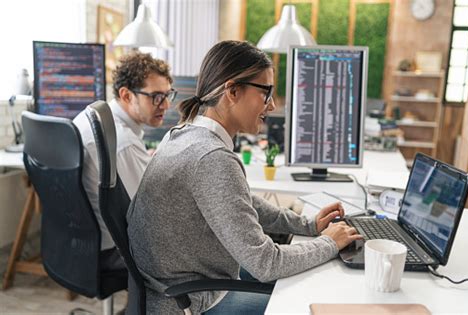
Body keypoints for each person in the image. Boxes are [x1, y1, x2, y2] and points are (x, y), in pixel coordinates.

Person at [127, 40, 362, 314]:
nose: (272, 105)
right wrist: (330, 242)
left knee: (308, 275)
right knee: (309, 302)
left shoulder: (183, 134)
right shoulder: (211, 157)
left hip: (182, 286)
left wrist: (307, 226)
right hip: (190, 301)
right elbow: (266, 264)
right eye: (266, 93)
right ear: (233, 91)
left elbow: (240, 202)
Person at [73, 51, 176, 270]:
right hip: (113, 251)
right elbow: (154, 214)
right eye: (157, 96)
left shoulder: (92, 115)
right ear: (127, 95)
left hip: (80, 244)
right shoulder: (123, 144)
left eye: (168, 95)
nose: (166, 105)